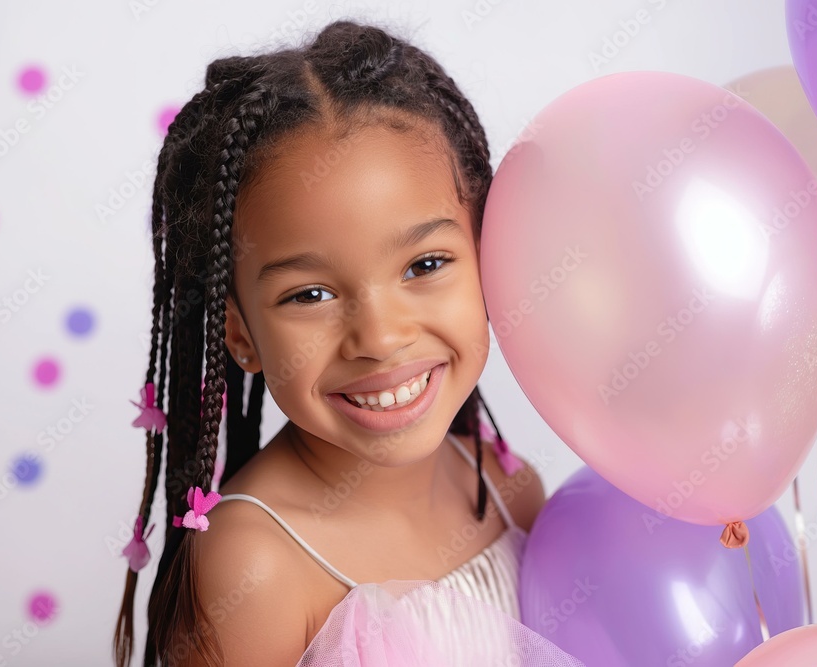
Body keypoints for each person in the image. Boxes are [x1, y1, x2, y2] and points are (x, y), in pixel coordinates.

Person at [113, 19, 579, 667]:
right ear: (241, 335)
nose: (381, 338)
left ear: (488, 255)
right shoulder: (256, 566)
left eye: (424, 265)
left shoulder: (510, 488)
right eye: (310, 295)